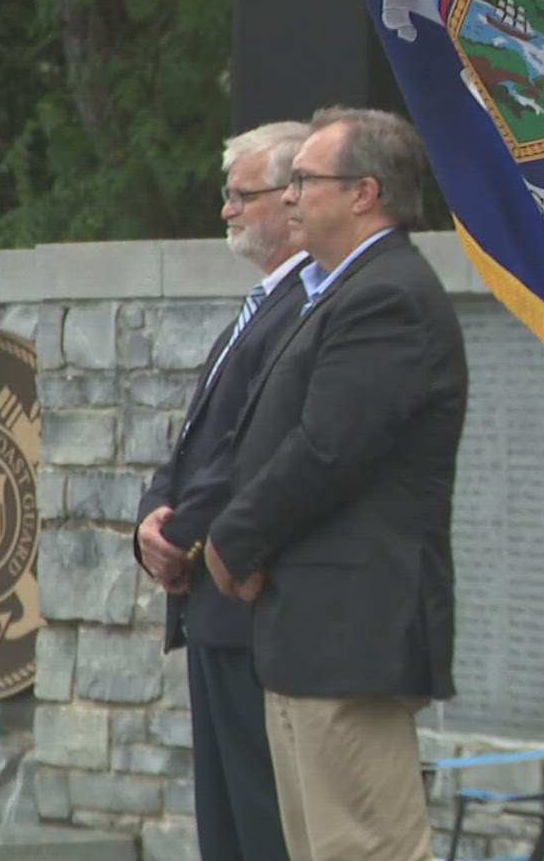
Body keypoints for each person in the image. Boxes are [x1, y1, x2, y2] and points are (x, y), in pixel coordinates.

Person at [205, 107, 467, 861]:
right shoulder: (333, 291)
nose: (288, 198)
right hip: (306, 632)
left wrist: (233, 539)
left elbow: (327, 449)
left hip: (351, 632)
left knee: (364, 848)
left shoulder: (387, 297)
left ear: (364, 193)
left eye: (304, 181)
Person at [133, 120, 311, 861]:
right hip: (207, 604)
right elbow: (194, 441)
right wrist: (149, 523)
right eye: (227, 195)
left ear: (295, 200)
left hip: (249, 602)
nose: (227, 211)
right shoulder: (257, 307)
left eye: (243, 195)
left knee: (263, 825)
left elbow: (249, 447)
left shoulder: (307, 306)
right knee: (227, 829)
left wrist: (181, 536)